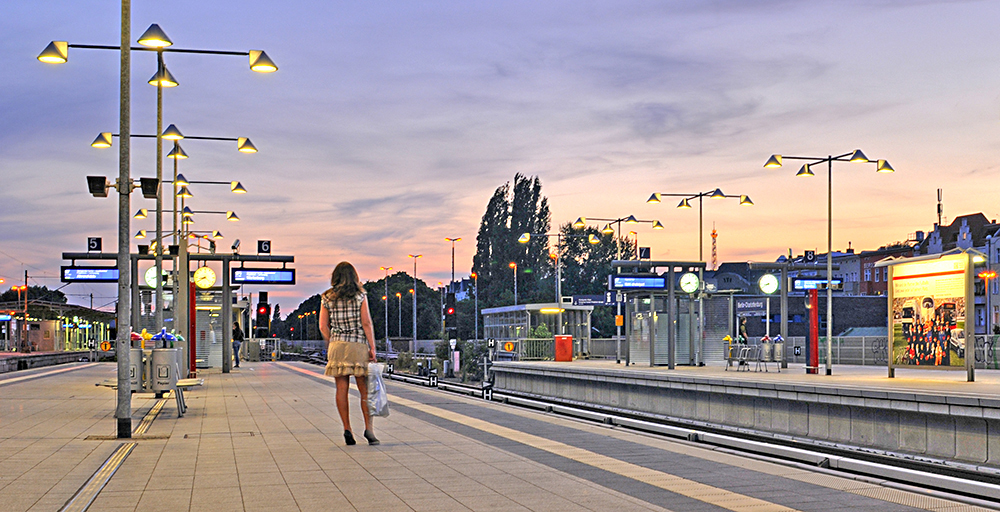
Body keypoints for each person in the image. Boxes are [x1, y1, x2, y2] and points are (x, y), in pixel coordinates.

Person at [320, 261, 379, 446]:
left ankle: (347, 429)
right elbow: (367, 323)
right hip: (358, 345)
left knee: (341, 389)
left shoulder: (327, 297)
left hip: (338, 346)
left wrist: (333, 341)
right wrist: (372, 347)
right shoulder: (361, 296)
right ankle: (369, 429)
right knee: (364, 390)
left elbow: (323, 326)